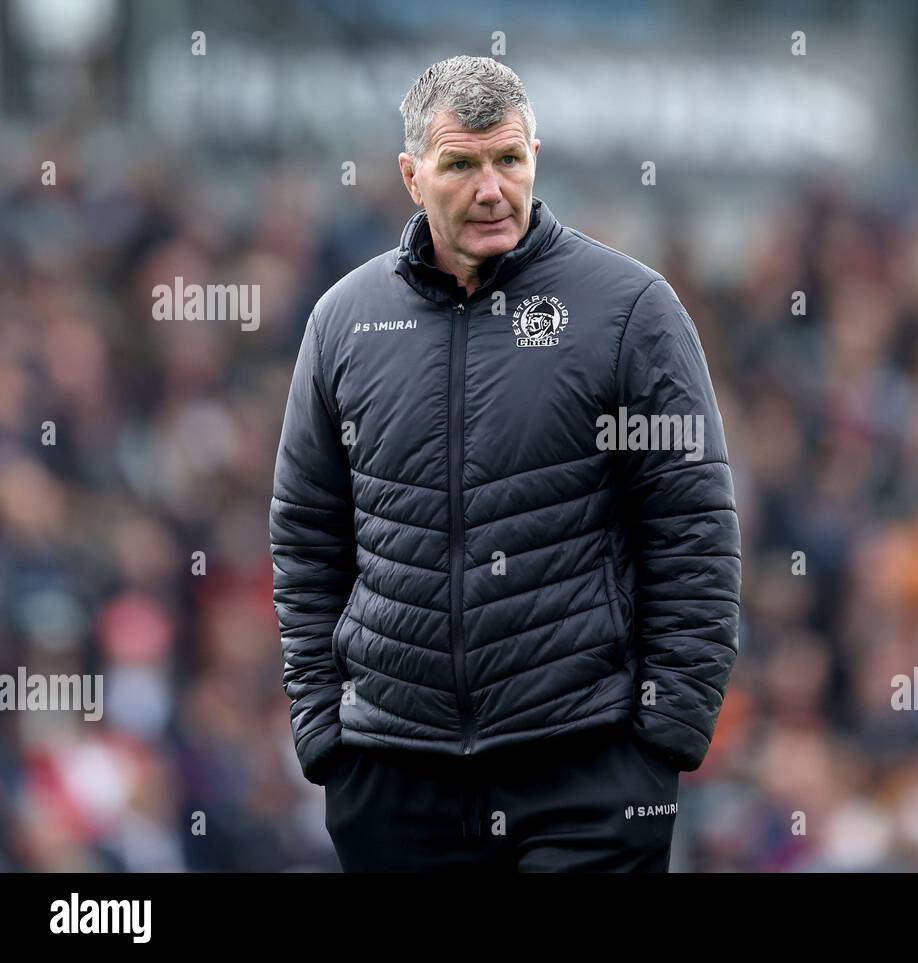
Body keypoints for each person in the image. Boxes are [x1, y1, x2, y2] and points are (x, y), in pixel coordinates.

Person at [269, 55, 741, 872]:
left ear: (534, 158)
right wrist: (324, 731)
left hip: (585, 765)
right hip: (393, 772)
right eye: (461, 164)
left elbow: (692, 526)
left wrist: (666, 737)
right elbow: (306, 534)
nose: (492, 189)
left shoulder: (629, 310)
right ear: (412, 177)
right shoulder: (343, 321)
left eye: (508, 159)